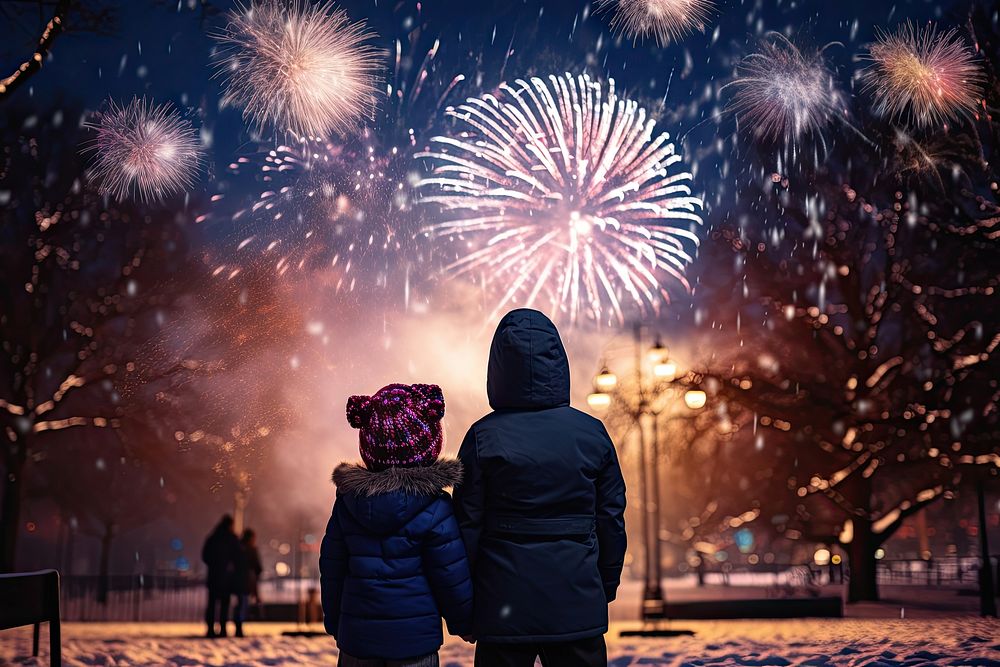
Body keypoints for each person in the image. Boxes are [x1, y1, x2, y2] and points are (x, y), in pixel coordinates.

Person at [453, 308, 627, 667]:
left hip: (503, 602)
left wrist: (466, 603)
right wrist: (603, 585)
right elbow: (611, 518)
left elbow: (466, 526)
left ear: (498, 367)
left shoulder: (482, 436)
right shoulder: (592, 433)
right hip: (576, 596)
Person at [320, 383, 473, 667]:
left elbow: (332, 569)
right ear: (429, 444)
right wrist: (463, 622)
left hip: (357, 642)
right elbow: (450, 573)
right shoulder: (435, 507)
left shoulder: (347, 504)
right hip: (415, 643)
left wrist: (335, 621)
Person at [201, 514, 241, 638]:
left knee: (212, 604)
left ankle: (210, 629)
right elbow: (237, 557)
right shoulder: (232, 539)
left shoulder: (213, 538)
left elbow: (205, 556)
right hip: (226, 578)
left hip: (214, 576)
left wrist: (214, 565)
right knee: (224, 605)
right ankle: (223, 628)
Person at [233, 528, 263, 637]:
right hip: (246, 581)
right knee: (243, 604)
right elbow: (257, 567)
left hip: (239, 581)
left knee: (241, 604)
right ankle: (239, 627)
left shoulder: (237, 549)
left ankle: (238, 626)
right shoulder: (251, 550)